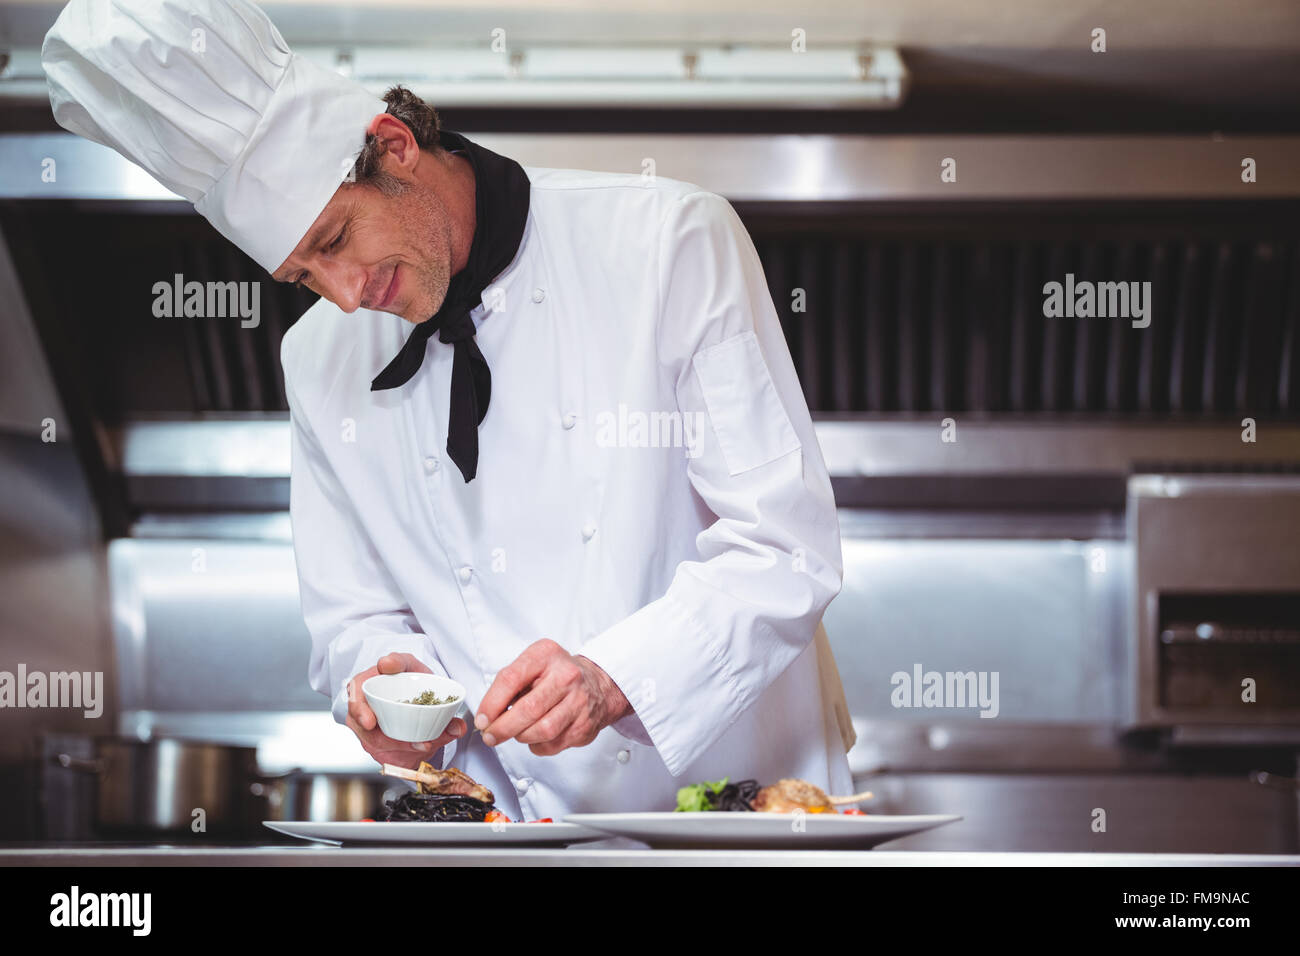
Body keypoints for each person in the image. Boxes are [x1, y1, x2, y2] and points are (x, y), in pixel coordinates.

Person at [43, 0, 856, 821]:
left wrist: (613, 680)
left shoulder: (668, 241)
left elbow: (783, 548)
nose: (347, 298)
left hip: (734, 825)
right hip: (505, 837)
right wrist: (381, 680)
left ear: (394, 147)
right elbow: (354, 616)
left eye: (333, 240)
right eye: (303, 279)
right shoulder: (317, 359)